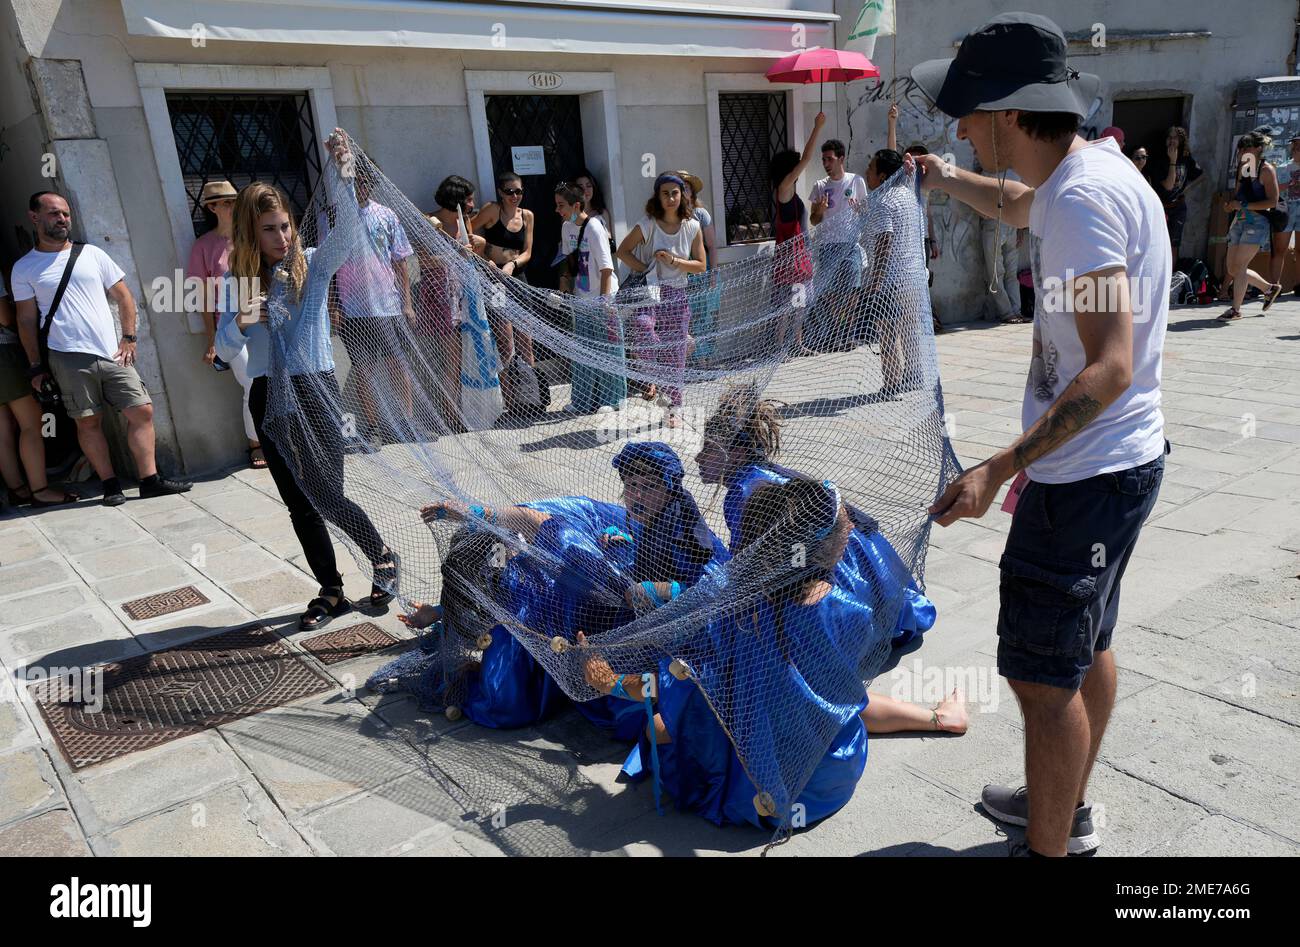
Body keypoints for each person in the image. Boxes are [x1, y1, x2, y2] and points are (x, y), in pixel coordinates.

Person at [912, 11, 1168, 856]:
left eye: (969, 112)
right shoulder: (1080, 178)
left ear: (1011, 112)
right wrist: (945, 176)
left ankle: (1051, 848)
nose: (959, 124)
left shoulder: (1085, 203)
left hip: (1085, 479)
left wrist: (1001, 466)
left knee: (1037, 671)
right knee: (1086, 645)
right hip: (1118, 467)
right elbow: (1018, 204)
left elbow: (1109, 366)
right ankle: (1066, 806)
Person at [404, 441, 728, 734]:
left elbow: (690, 602)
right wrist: (439, 612)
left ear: (670, 488)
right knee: (509, 698)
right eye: (632, 486)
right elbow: (493, 590)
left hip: (638, 642)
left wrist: (611, 680)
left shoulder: (684, 537)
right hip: (596, 632)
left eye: (649, 486)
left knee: (635, 719)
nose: (638, 496)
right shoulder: (531, 576)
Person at [215, 131, 400, 631]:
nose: (283, 237)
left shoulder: (313, 265)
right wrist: (241, 323)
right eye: (270, 230)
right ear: (253, 235)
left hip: (316, 388)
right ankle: (331, 589)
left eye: (286, 226)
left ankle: (382, 554)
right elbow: (222, 349)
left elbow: (348, 236)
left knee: (327, 492)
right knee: (299, 503)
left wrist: (343, 175)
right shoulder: (240, 281)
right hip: (267, 394)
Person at [695, 383, 936, 646]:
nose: (698, 458)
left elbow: (767, 562)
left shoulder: (745, 492)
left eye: (709, 450)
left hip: (832, 566)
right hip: (843, 560)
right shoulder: (756, 475)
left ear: (737, 454)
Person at [14, 192, 191, 507]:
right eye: (54, 214)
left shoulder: (92, 254)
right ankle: (111, 485)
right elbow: (26, 320)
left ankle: (149, 480)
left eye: (66, 214)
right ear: (35, 217)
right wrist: (36, 366)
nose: (62, 220)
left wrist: (129, 337)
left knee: (142, 410)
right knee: (88, 421)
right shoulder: (25, 268)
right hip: (66, 357)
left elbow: (124, 297)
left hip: (112, 352)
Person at [615, 174, 707, 427]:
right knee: (644, 331)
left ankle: (674, 408)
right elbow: (622, 251)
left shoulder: (692, 226)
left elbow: (701, 265)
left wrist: (674, 261)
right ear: (657, 195)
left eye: (675, 193)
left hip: (677, 295)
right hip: (650, 292)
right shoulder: (648, 224)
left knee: (675, 356)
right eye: (665, 193)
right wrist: (645, 267)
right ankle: (657, 377)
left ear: (682, 195)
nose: (670, 198)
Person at [332, 172, 417, 441]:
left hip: (388, 304)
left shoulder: (387, 215)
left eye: (365, 182)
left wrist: (408, 304)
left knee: (398, 365)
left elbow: (401, 261)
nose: (361, 187)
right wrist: (334, 304)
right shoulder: (333, 217)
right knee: (363, 369)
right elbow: (327, 265)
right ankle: (373, 428)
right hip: (353, 308)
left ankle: (408, 423)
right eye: (354, 182)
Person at [188, 179, 265, 469]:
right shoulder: (204, 247)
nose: (233, 206)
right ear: (212, 207)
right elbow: (203, 297)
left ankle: (279, 440)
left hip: (264, 320)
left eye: (236, 201)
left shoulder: (253, 237)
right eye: (227, 202)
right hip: (230, 327)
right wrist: (210, 341)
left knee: (272, 381)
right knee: (252, 382)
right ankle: (256, 443)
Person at [0, 272, 78, 507]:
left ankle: (17, 489)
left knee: (2, 427)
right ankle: (39, 490)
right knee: (32, 424)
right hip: (2, 353)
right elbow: (3, 317)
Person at [554, 182, 625, 413]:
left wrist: (604, 303)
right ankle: (582, 401)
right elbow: (567, 262)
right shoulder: (566, 228)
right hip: (582, 298)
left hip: (603, 298)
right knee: (583, 351)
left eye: (561, 205)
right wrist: (564, 288)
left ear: (576, 205)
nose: (558, 210)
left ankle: (614, 399)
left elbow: (606, 269)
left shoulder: (594, 226)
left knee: (609, 350)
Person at [770, 111, 826, 355]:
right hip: (790, 260)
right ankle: (781, 347)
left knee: (798, 304)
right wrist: (817, 127)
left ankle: (797, 344)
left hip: (798, 259)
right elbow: (807, 158)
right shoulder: (783, 189)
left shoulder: (788, 191)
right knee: (786, 306)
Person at [472, 171, 536, 369]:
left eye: (519, 191)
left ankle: (532, 389)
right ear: (500, 192)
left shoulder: (527, 215)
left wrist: (513, 264)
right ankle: (509, 394)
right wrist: (485, 258)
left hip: (517, 277)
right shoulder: (492, 210)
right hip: (495, 279)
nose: (515, 196)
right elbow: (468, 233)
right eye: (510, 192)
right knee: (504, 335)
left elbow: (527, 252)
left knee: (526, 335)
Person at [809, 137, 868, 350]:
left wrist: (858, 209)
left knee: (851, 293)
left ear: (841, 159)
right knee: (832, 294)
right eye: (823, 159)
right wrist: (820, 210)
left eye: (830, 159)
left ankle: (849, 334)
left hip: (850, 245)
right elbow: (813, 220)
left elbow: (865, 212)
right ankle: (836, 335)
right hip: (827, 246)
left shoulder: (855, 181)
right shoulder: (820, 186)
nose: (826, 164)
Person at [1219, 132, 1283, 321]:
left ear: (1258, 149)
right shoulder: (1244, 168)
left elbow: (1272, 201)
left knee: (1240, 266)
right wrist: (1231, 204)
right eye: (1241, 147)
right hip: (1240, 220)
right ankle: (1268, 288)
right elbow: (1239, 195)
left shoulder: (1266, 170)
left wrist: (1244, 205)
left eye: (1247, 147)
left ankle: (1235, 309)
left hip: (1258, 222)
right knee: (1232, 267)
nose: (1242, 151)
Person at [974, 157, 1029, 324]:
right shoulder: (989, 172)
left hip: (1009, 224)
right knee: (996, 273)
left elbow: (1022, 199)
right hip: (994, 223)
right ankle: (1007, 312)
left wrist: (1020, 227)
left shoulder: (1012, 170)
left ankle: (1015, 311)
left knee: (1009, 272)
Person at [676, 170, 717, 364]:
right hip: (681, 276)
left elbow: (711, 245)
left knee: (703, 318)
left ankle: (703, 360)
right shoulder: (673, 216)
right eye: (680, 187)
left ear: (692, 192)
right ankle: (689, 361)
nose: (683, 191)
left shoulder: (701, 214)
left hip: (700, 275)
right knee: (685, 319)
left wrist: (713, 274)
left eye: (686, 187)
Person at [1151, 126, 1204, 258]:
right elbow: (1168, 186)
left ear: (1181, 140)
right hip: (1162, 207)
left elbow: (1201, 176)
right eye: (1169, 137)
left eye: (1175, 137)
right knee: (1158, 244)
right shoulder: (1159, 159)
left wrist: (1185, 189)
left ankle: (1172, 277)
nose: (1172, 140)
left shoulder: (1186, 157)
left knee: (1174, 245)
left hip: (1178, 208)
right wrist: (1172, 161)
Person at [1268, 135, 1300, 293]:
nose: (1296, 148)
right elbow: (1274, 191)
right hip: (1286, 209)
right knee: (1280, 249)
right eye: (1295, 145)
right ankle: (1274, 286)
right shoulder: (1282, 167)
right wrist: (1289, 184)